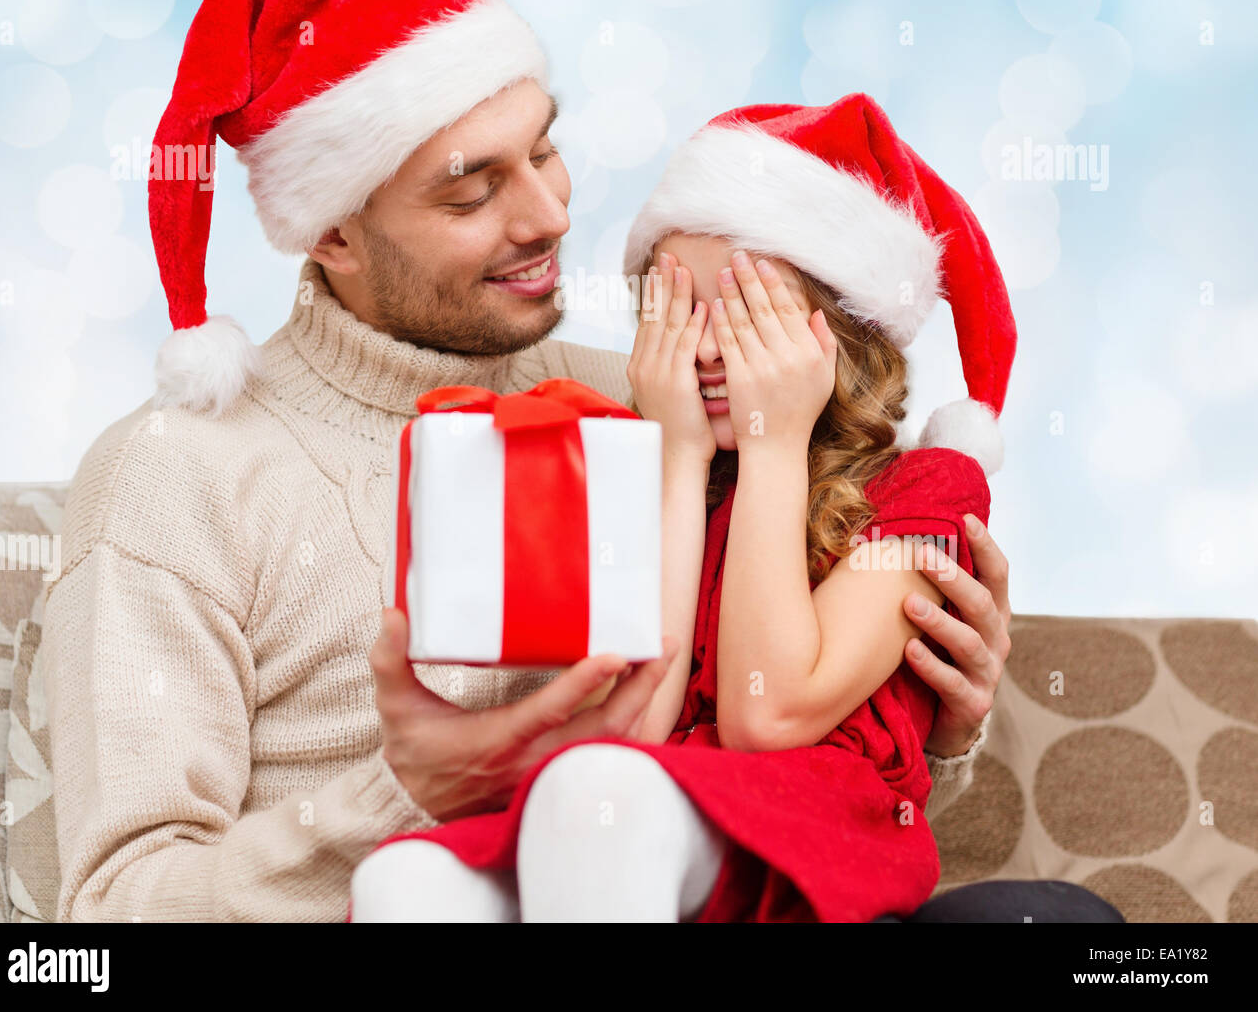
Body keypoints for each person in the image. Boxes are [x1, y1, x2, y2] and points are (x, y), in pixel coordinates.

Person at [40, 0, 1067, 923]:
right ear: (333, 233)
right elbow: (115, 914)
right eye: (472, 188)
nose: (546, 218)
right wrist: (401, 793)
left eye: (545, 151)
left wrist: (936, 715)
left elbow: (777, 739)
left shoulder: (662, 403)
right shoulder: (175, 475)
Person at [350, 96, 1123, 922]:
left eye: (748, 317)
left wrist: (774, 443)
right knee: (403, 880)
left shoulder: (927, 489)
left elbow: (770, 712)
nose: (710, 349)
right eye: (679, 314)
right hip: (648, 829)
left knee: (592, 788)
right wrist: (679, 455)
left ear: (840, 333)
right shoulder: (635, 473)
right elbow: (635, 728)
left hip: (800, 844)